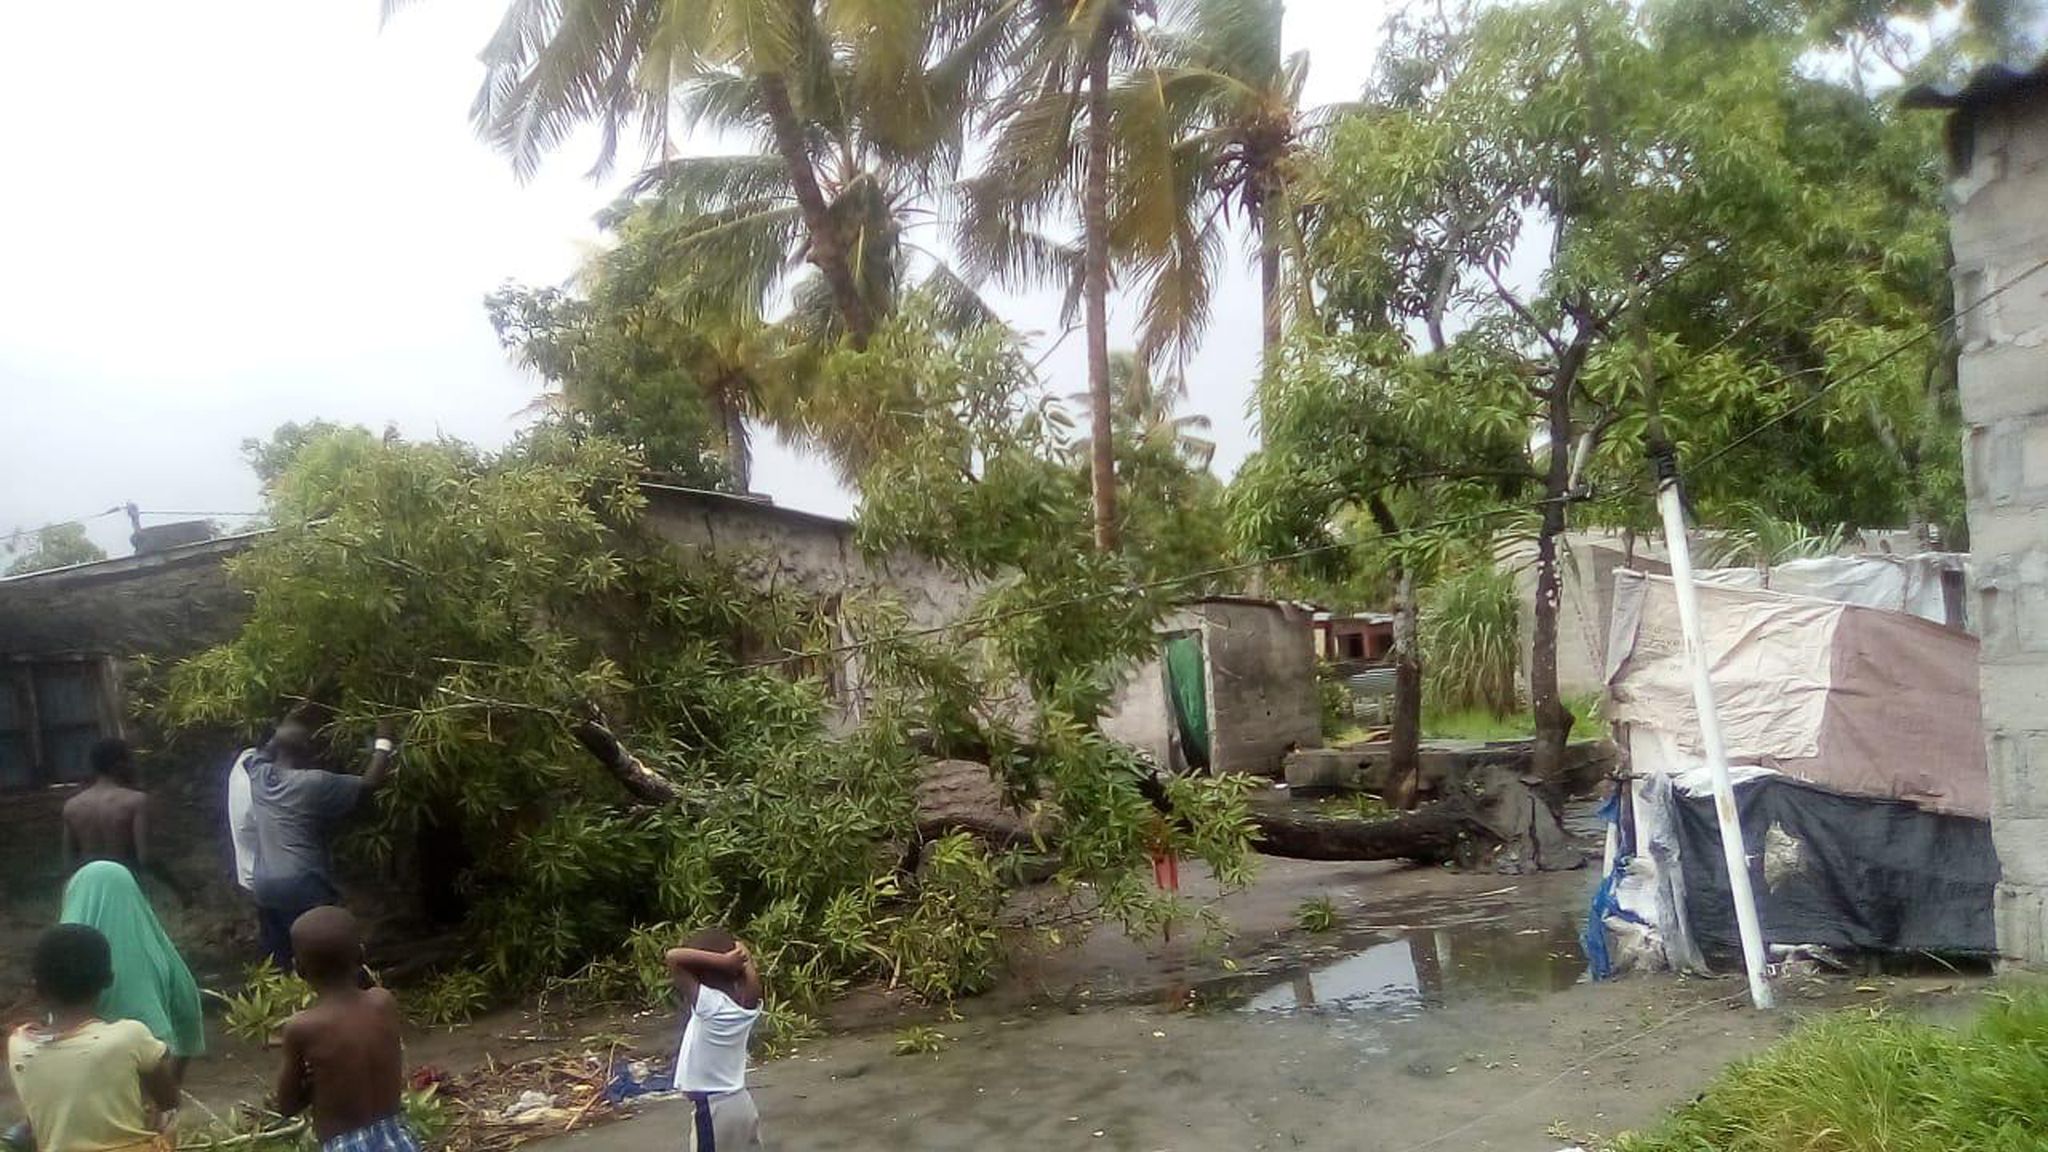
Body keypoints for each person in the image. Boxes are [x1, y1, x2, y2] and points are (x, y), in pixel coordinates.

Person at [6, 924, 178, 1152]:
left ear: (36, 987)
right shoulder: (130, 1036)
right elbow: (169, 1101)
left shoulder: (18, 1045)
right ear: (109, 979)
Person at [248, 712, 398, 968]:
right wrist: (384, 740)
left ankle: (288, 1002)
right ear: (309, 751)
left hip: (264, 887)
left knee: (281, 959)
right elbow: (370, 783)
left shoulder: (258, 774)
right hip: (304, 883)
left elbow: (271, 744)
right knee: (327, 957)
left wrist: (295, 714)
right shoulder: (314, 784)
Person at [274, 907, 415, 1152]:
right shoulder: (384, 1002)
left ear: (299, 969)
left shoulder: (302, 1028)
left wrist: (314, 1083)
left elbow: (287, 1106)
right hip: (397, 1137)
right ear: (361, 955)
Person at [59, 862, 206, 1087]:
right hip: (143, 1078)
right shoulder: (153, 948)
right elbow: (187, 1007)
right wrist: (172, 1086)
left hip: (77, 1083)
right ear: (134, 896)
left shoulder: (61, 954)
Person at [666, 928, 765, 1152]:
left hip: (714, 1110)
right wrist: (734, 959)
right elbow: (746, 957)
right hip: (741, 1104)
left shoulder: (710, 1006)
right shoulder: (746, 1002)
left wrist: (722, 961)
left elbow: (673, 957)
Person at [61, 740, 149, 873]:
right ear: (120, 765)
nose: (134, 767)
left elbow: (69, 862)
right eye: (130, 762)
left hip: (89, 882)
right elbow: (145, 858)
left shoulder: (72, 806)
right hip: (125, 879)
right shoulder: (136, 801)